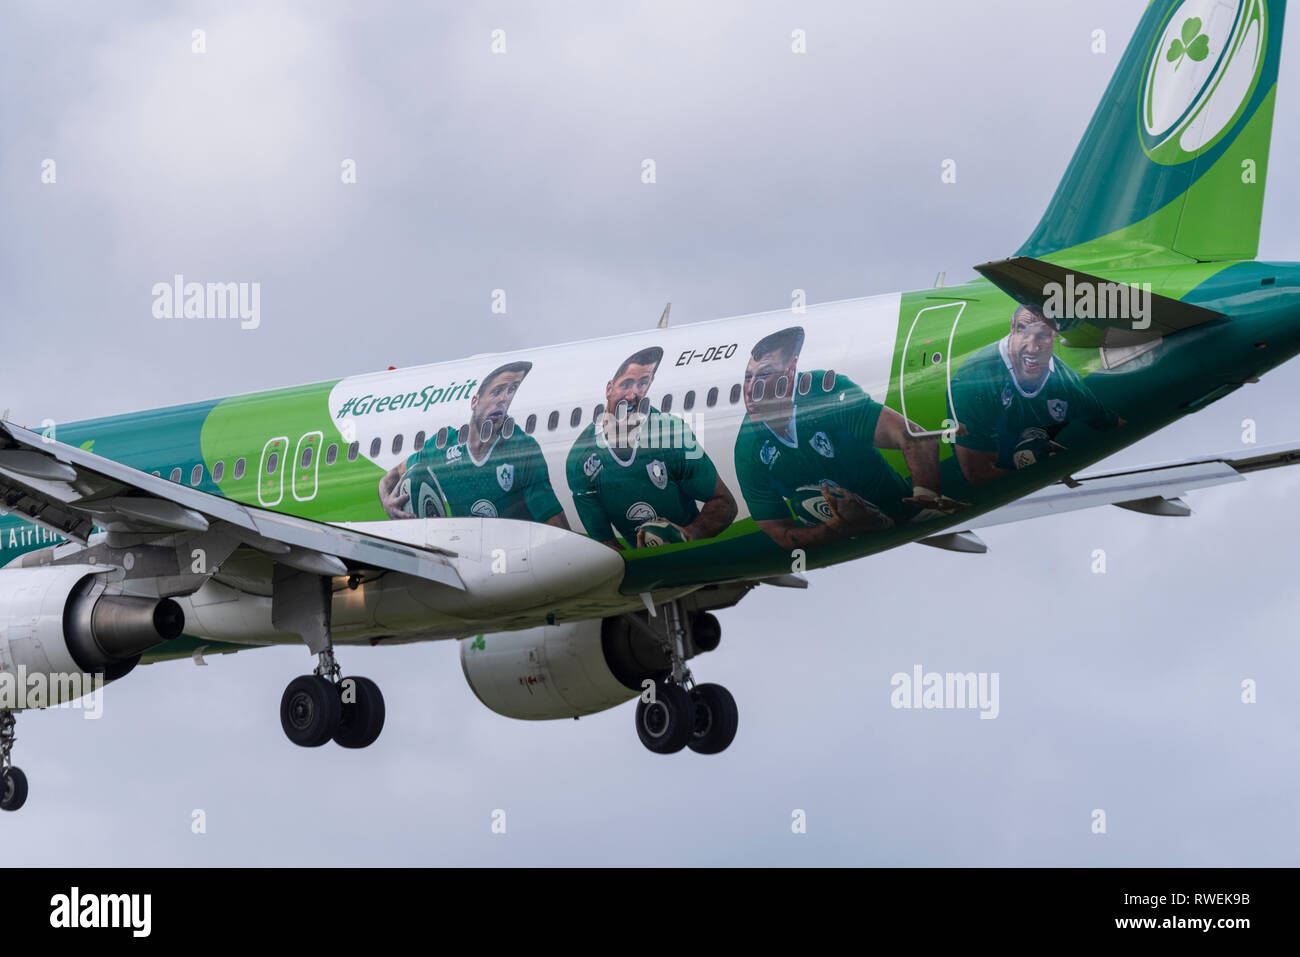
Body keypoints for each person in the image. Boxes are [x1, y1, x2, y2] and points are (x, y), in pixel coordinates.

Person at [734, 326, 958, 550]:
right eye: (747, 378)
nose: (751, 389)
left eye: (764, 374)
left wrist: (925, 496)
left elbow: (917, 438)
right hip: (846, 546)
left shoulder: (823, 392)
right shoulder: (748, 447)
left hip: (909, 517)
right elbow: (782, 535)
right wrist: (838, 527)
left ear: (790, 370)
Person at [565, 346, 737, 549]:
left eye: (642, 383)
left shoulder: (671, 432)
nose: (632, 395)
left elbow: (724, 503)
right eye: (626, 384)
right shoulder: (579, 459)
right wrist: (643, 563)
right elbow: (604, 544)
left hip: (697, 556)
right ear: (609, 388)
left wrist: (688, 536)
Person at [948, 305, 1123, 485]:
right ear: (1012, 327)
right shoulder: (972, 382)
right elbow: (977, 474)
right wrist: (1046, 467)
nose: (1032, 348)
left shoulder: (1066, 381)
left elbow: (1115, 425)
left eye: (1043, 334)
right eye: (1023, 332)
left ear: (1055, 334)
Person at [379, 360, 567, 526]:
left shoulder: (522, 448)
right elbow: (392, 476)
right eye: (497, 391)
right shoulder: (442, 447)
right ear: (475, 401)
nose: (504, 399)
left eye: (510, 391)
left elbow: (556, 526)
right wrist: (387, 503)